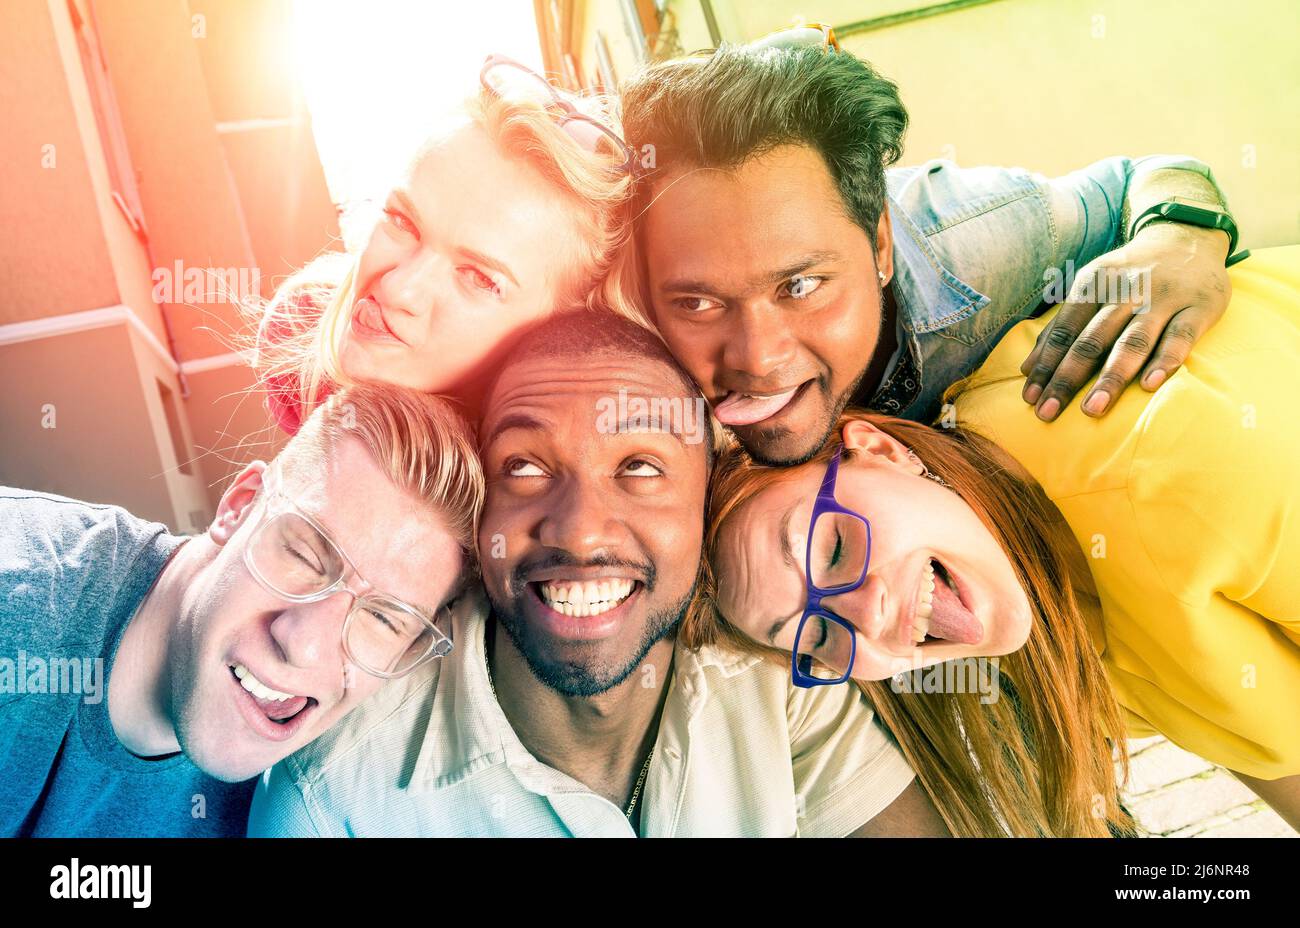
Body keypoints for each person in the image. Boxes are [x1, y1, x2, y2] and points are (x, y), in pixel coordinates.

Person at [248, 312, 946, 837]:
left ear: (707, 499)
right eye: (522, 467)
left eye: (641, 468)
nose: (580, 529)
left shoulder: (782, 670)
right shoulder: (330, 799)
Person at [696, 246, 1300, 834]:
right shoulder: (1029, 589)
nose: (868, 617)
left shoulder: (1176, 474)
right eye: (818, 637)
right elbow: (1251, 726)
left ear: (881, 452)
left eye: (831, 550)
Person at [613, 34, 1239, 465]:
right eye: (696, 302)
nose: (756, 357)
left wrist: (1177, 236)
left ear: (880, 244)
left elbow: (1145, 175)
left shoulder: (982, 238)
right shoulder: (622, 349)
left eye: (799, 287)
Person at [0, 384, 483, 836]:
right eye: (305, 556)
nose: (306, 646)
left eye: (384, 618)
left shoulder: (311, 799)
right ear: (240, 506)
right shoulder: (19, 600)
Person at [254, 56, 635, 434]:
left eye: (480, 278)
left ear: (559, 332)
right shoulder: (299, 335)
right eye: (402, 221)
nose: (398, 288)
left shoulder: (556, 468)